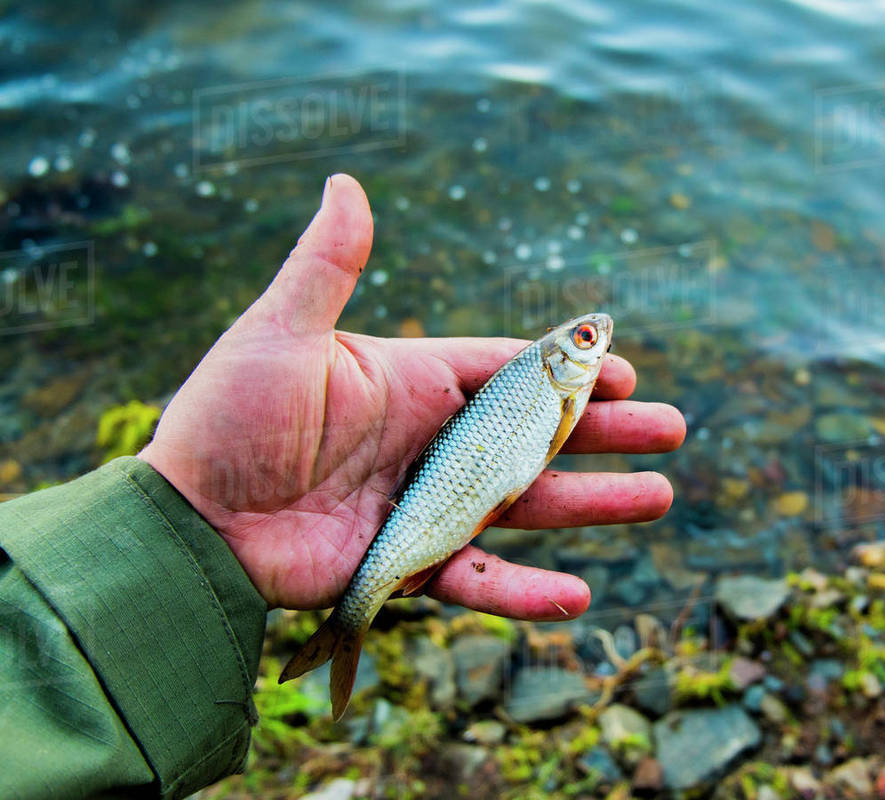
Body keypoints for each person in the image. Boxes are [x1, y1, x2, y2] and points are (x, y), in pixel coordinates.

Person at [0, 174, 687, 799]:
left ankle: (344, 630)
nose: (596, 342)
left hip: (448, 503)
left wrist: (184, 510)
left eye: (589, 336)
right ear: (566, 355)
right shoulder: (544, 381)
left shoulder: (549, 386)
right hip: (439, 508)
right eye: (588, 337)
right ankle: (348, 626)